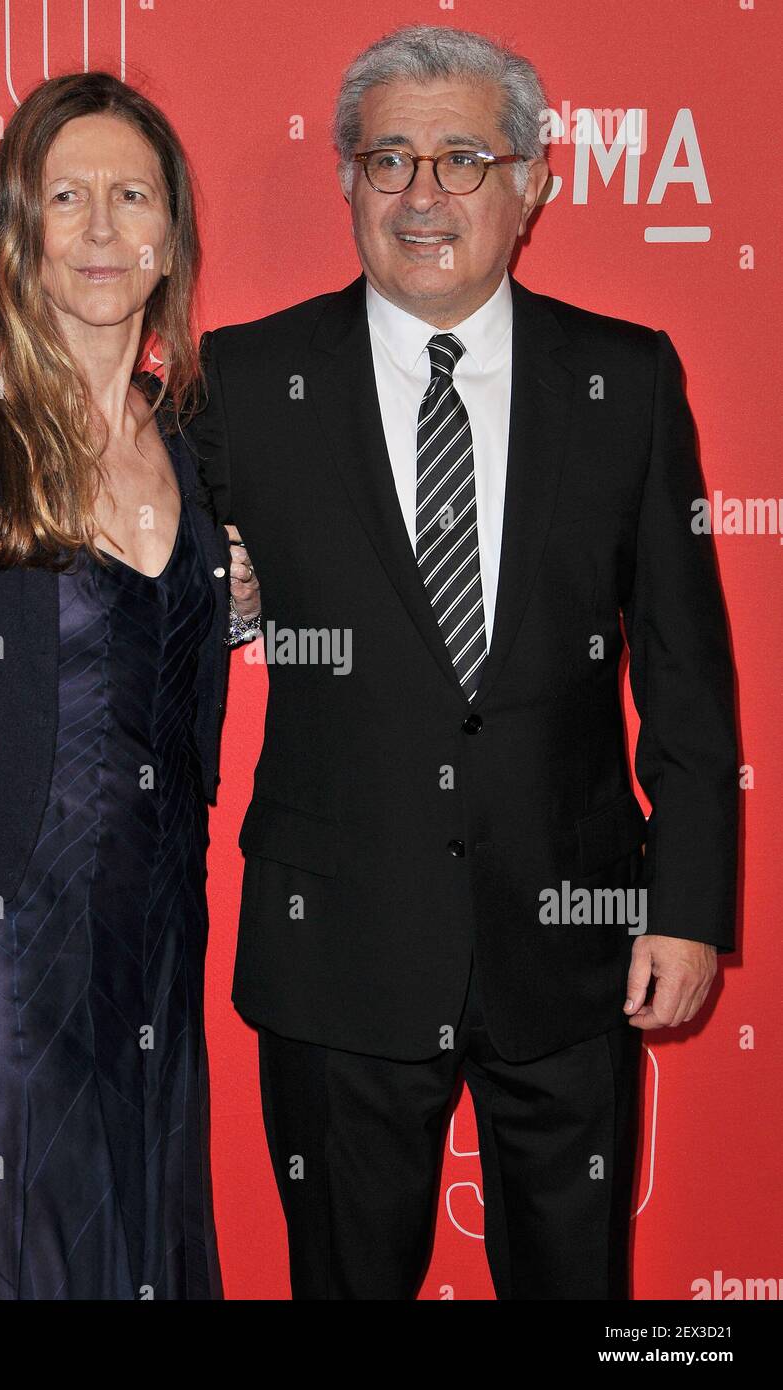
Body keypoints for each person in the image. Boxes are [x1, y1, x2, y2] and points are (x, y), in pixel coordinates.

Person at [191, 25, 739, 1300]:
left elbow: (684, 667)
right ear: (343, 178)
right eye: (387, 160)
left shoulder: (625, 378)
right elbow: (155, 602)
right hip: (336, 950)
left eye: (462, 159)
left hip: (575, 942)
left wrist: (687, 905)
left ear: (533, 180)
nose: (422, 197)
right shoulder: (244, 379)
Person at [0, 71, 260, 1301]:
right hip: (9, 955)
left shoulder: (187, 443)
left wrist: (230, 606)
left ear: (170, 234)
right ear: (15, 234)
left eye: (130, 196)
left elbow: (160, 656)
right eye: (64, 198)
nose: (98, 231)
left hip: (157, 945)